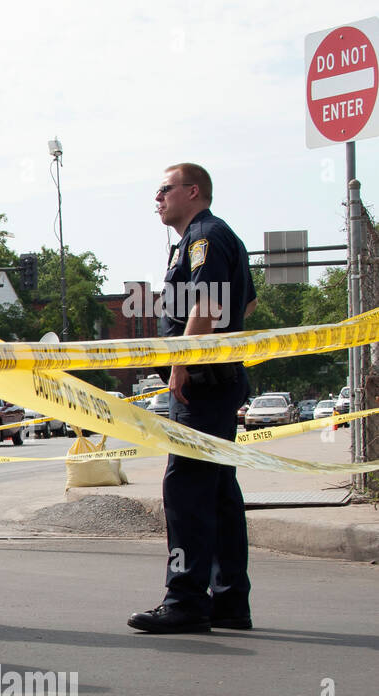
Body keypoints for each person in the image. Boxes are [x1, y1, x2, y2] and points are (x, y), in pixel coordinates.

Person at [128, 163, 255, 634]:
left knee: (184, 489)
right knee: (218, 492)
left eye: (164, 189)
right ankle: (228, 601)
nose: (157, 198)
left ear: (193, 191)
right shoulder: (206, 239)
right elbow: (247, 303)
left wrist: (183, 359)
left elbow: (208, 303)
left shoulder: (204, 237)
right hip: (216, 380)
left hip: (201, 384)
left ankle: (184, 599)